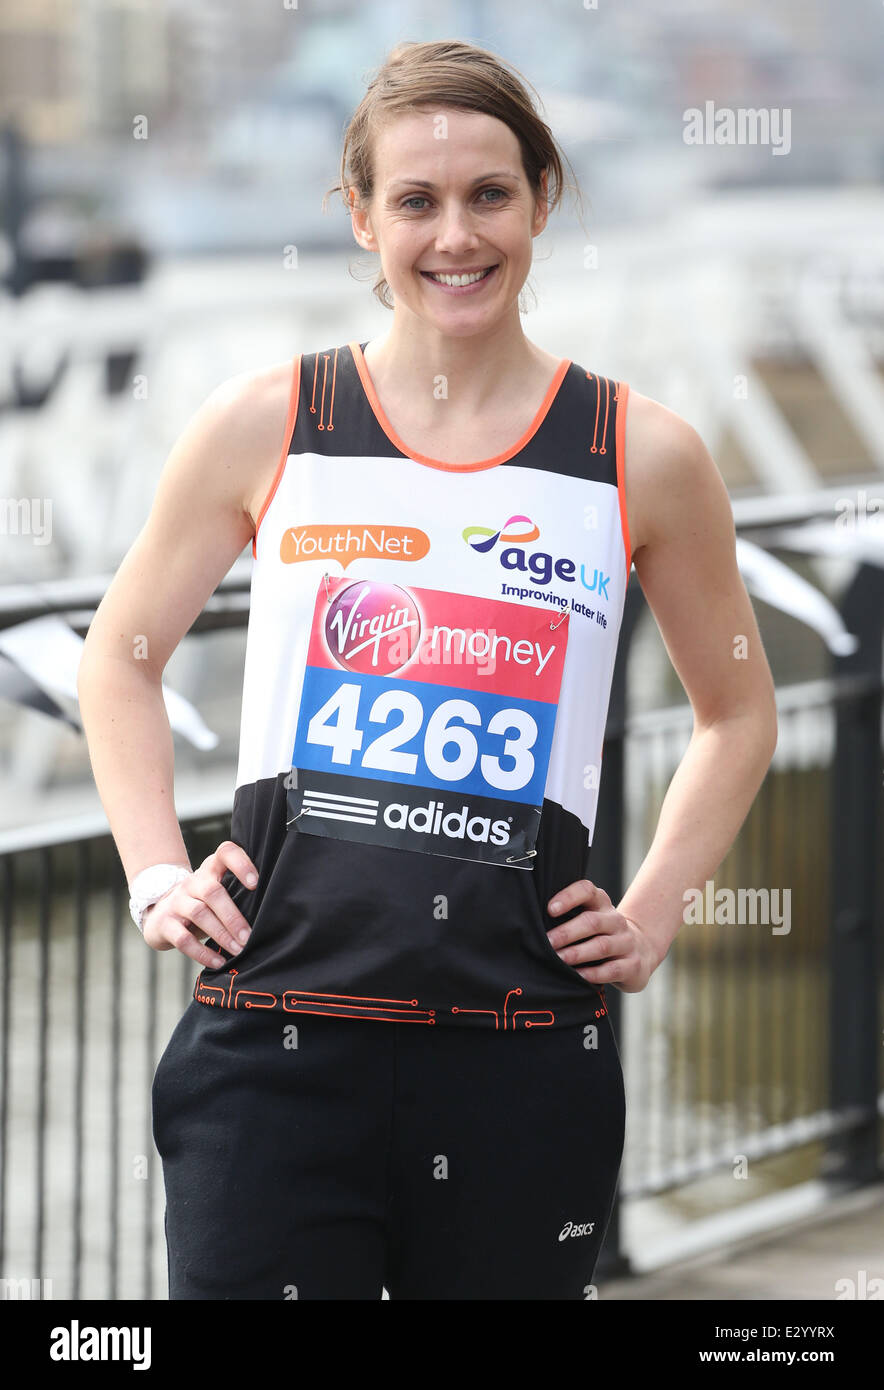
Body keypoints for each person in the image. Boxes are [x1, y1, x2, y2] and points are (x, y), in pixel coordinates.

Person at [77, 39, 778, 1301]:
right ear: (360, 219)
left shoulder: (640, 456)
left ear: (541, 201)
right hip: (273, 1056)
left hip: (520, 1061)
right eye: (414, 200)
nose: (455, 235)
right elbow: (118, 662)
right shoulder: (272, 423)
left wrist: (657, 909)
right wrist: (153, 875)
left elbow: (734, 713)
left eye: (488, 195)